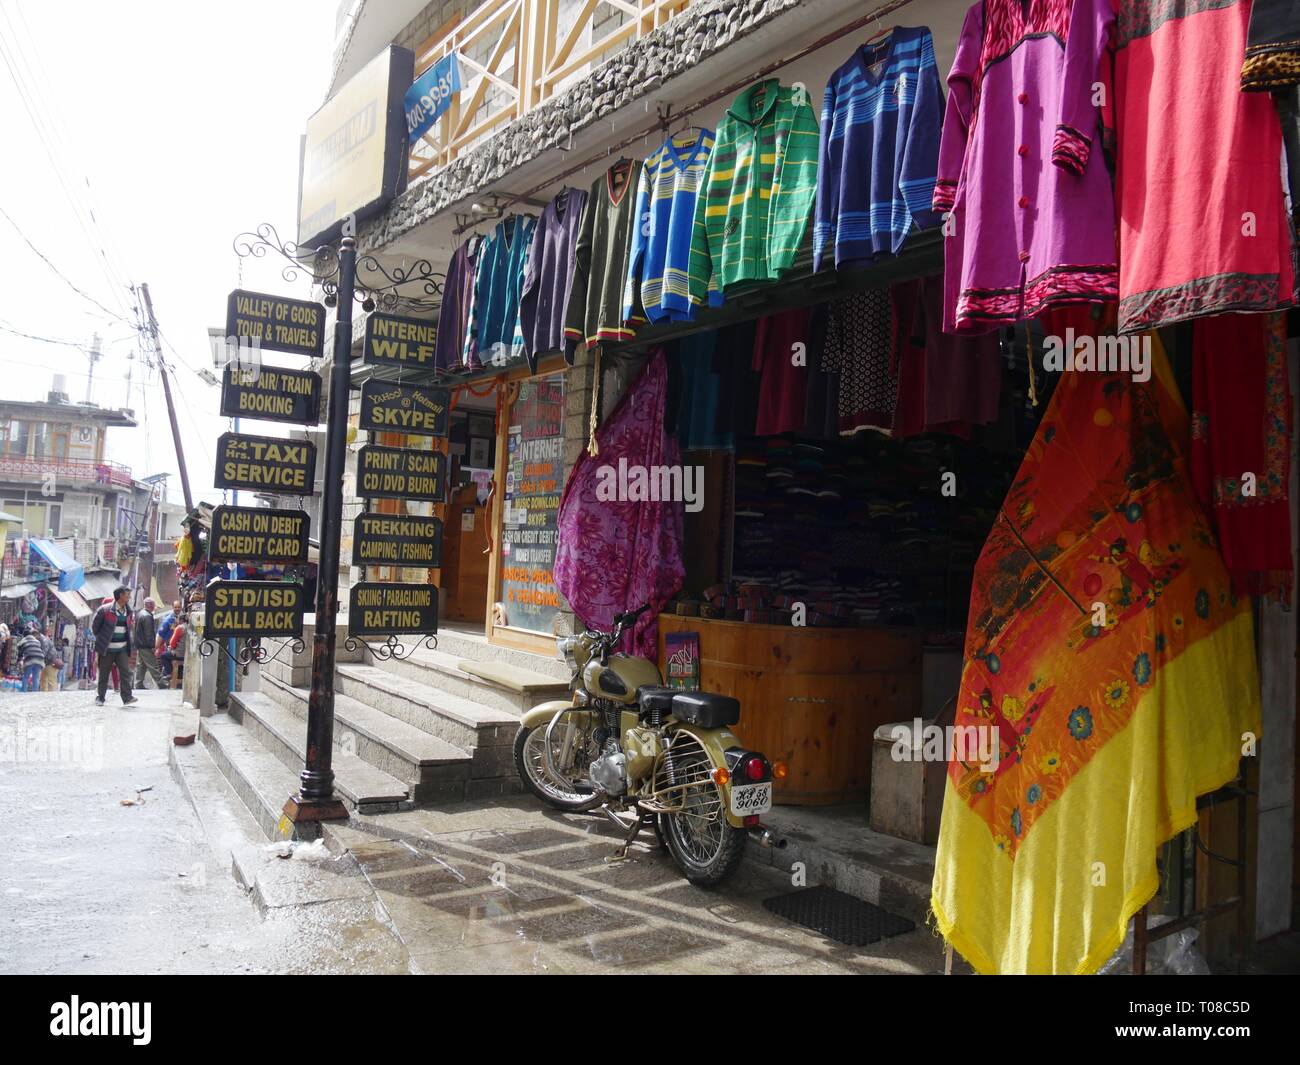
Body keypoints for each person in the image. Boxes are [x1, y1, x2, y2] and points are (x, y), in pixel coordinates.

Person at [91, 586, 137, 706]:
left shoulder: (129, 611)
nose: (129, 597)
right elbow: (95, 628)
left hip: (122, 648)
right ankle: (100, 697)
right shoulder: (104, 610)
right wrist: (103, 640)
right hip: (107, 648)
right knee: (104, 673)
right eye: (127, 594)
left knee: (125, 672)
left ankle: (127, 697)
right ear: (121, 596)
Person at [133, 597, 163, 689]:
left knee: (140, 665)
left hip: (139, 644)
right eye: (154, 605)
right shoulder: (147, 616)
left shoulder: (139, 614)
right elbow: (149, 633)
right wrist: (152, 646)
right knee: (153, 665)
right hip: (145, 645)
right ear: (151, 606)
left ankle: (138, 684)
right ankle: (162, 684)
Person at [17, 623, 45, 692]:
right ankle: (35, 692)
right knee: (36, 677)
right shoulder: (36, 641)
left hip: (30, 658)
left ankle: (24, 691)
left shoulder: (23, 640)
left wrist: (18, 659)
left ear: (24, 635)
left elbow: (19, 651)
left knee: (26, 676)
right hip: (40, 659)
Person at [160, 618, 186, 684]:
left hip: (179, 654)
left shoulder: (179, 628)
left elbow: (172, 643)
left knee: (164, 655)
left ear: (180, 620)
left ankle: (169, 673)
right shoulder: (190, 627)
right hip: (187, 654)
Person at [39, 624, 61, 692]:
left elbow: (45, 650)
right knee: (43, 679)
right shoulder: (44, 639)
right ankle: (44, 694)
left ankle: (52, 695)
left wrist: (40, 657)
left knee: (51, 680)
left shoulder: (44, 639)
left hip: (51, 662)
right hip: (47, 662)